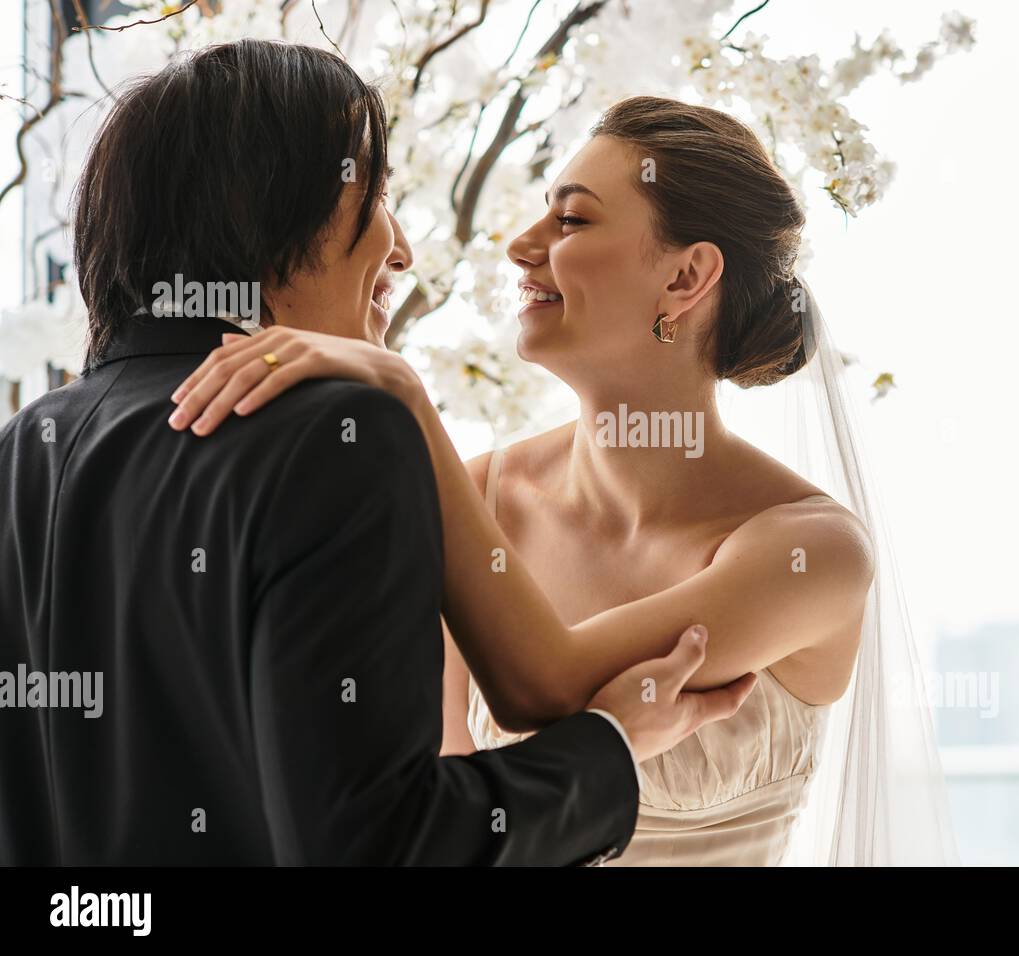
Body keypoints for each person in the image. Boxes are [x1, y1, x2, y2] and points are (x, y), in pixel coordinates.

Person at [0, 40, 755, 867]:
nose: (399, 248)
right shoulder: (336, 438)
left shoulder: (23, 452)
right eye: (375, 193)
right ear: (265, 203)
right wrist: (609, 750)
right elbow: (381, 846)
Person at [171, 96, 889, 866]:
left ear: (687, 276)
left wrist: (407, 397)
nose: (520, 245)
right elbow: (440, 816)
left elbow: (548, 685)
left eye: (572, 221)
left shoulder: (811, 552)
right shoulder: (474, 499)